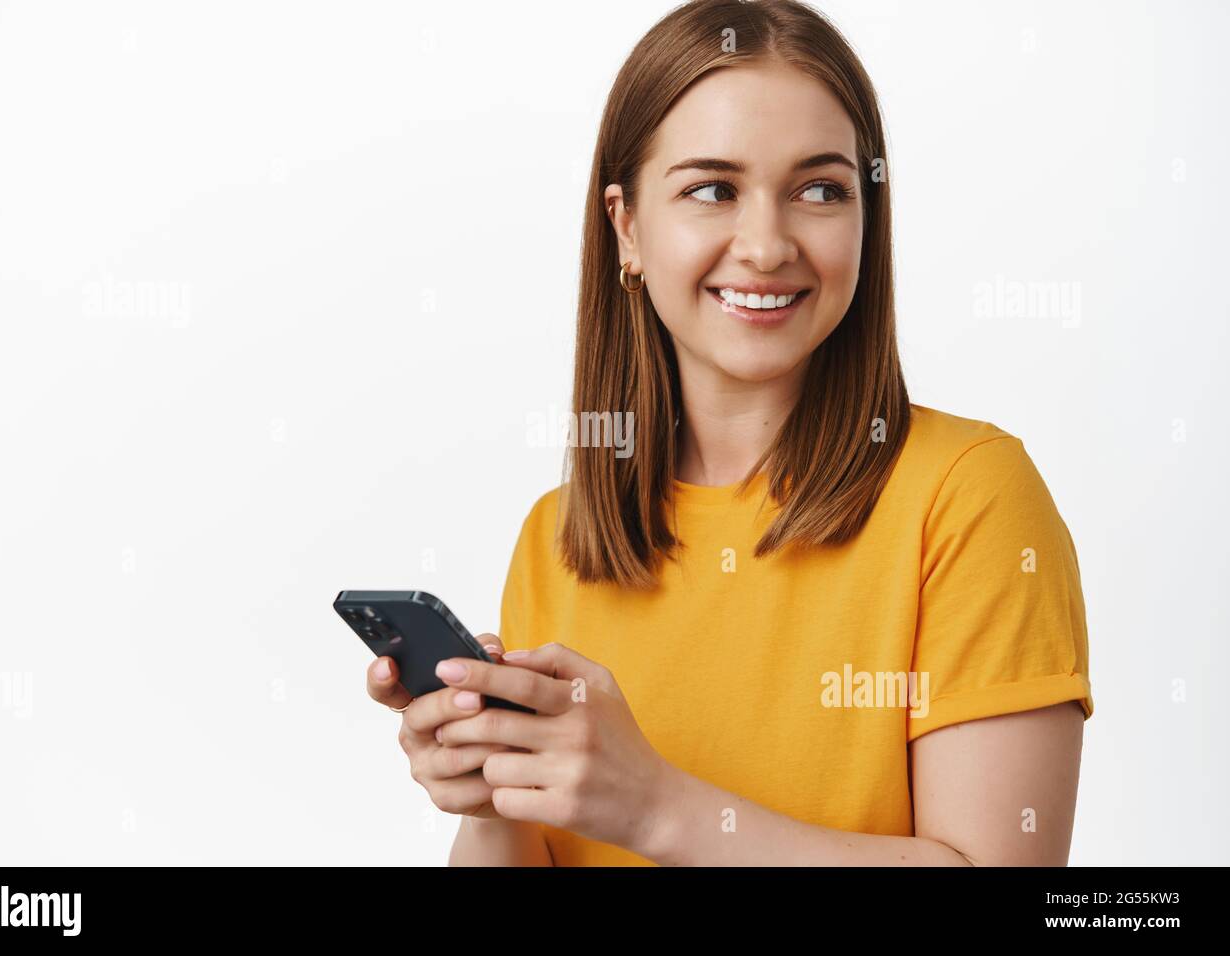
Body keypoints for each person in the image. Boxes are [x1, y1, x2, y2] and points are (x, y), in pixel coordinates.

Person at [368, 0, 1092, 866]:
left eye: (819, 190)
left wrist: (659, 810)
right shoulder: (557, 539)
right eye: (713, 189)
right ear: (627, 226)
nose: (765, 244)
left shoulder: (970, 496)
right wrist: (492, 793)